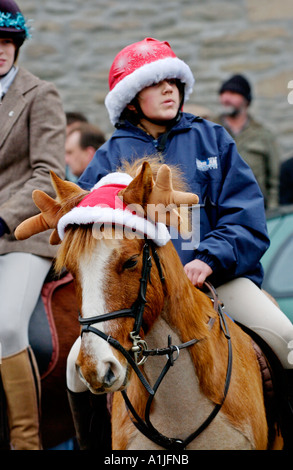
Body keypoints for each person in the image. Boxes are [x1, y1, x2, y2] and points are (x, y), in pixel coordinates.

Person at [67, 37, 293, 448]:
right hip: (135, 297)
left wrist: (211, 259)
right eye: (156, 83)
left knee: (286, 339)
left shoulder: (215, 140)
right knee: (75, 373)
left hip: (216, 282)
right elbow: (88, 236)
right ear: (132, 99)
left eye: (174, 80)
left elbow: (247, 218)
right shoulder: (107, 158)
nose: (169, 88)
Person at [0, 0, 65, 449]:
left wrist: (1, 217)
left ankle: (26, 441)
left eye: (7, 42)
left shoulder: (41, 95)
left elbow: (47, 173)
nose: (1, 50)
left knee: (5, 326)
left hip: (23, 236)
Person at [214, 74, 280, 210]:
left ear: (246, 100)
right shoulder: (210, 130)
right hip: (218, 209)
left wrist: (272, 211)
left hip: (254, 209)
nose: (226, 98)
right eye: (223, 93)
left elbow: (274, 180)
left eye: (232, 93)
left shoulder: (263, 134)